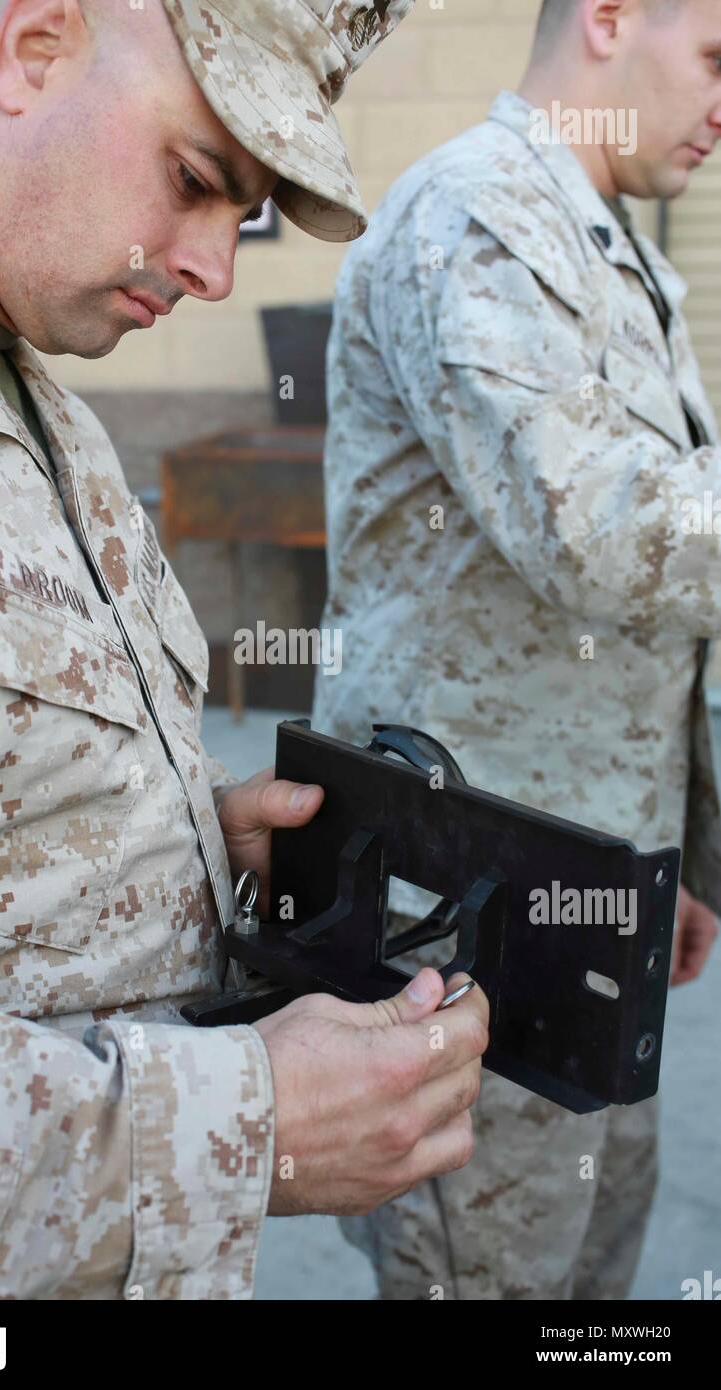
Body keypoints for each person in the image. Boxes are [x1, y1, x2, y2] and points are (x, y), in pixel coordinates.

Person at [0, 0, 489, 1300]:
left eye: (242, 210)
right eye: (198, 182)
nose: (214, 268)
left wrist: (183, 842)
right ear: (35, 52)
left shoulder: (50, 418)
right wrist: (235, 1117)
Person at [313, 0, 721, 1300]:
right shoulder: (477, 214)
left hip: (587, 869)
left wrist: (672, 846)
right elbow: (600, 532)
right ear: (605, 18)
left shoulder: (613, 248)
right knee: (487, 1263)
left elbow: (649, 598)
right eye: (714, 58)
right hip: (477, 894)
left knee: (587, 1251)